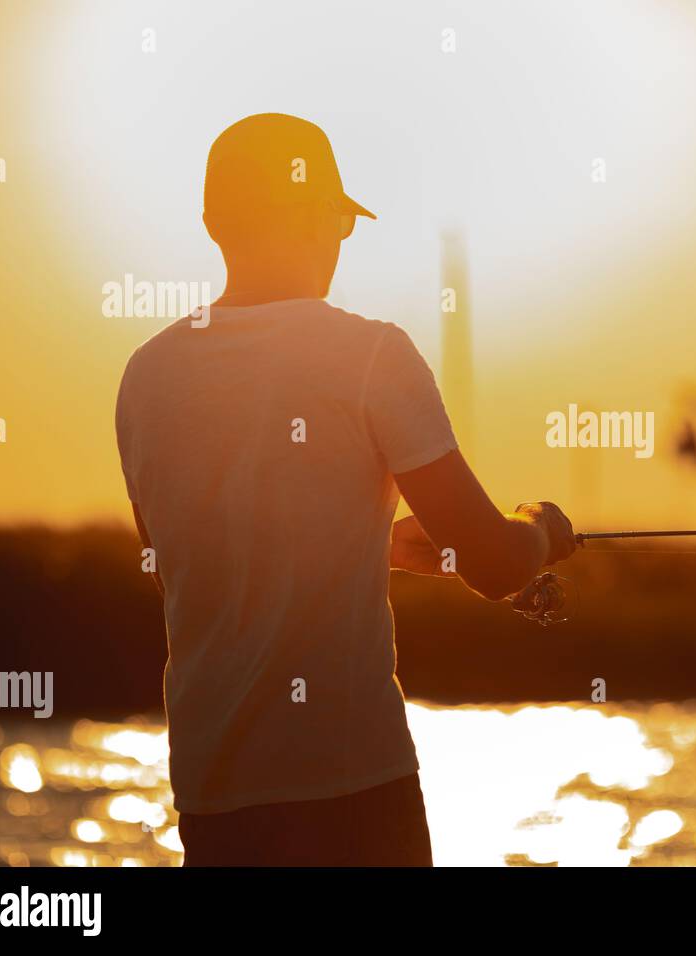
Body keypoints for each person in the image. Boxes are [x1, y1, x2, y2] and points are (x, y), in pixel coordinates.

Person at [114, 113, 576, 866]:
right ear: (319, 219)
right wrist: (539, 528)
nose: (337, 241)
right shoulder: (372, 357)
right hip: (355, 795)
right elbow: (494, 565)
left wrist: (380, 546)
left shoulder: (146, 378)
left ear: (212, 223)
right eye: (337, 218)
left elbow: (186, 563)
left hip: (212, 801)